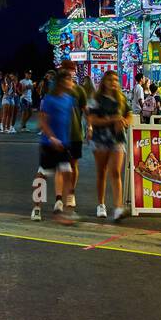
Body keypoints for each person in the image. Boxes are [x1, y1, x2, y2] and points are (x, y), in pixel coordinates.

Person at [34, 66, 77, 222]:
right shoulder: (49, 100)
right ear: (61, 82)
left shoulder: (69, 99)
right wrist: (52, 138)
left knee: (68, 174)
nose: (72, 83)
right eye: (69, 80)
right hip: (48, 144)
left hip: (64, 144)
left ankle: (63, 212)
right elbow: (42, 122)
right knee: (42, 175)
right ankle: (37, 207)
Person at [87, 70, 131, 220]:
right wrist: (113, 120)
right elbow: (92, 119)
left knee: (116, 172)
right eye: (110, 79)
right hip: (100, 140)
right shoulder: (96, 99)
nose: (113, 82)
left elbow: (129, 114)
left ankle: (118, 207)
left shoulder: (122, 99)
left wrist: (125, 122)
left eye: (116, 80)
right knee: (102, 172)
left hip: (117, 139)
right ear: (104, 82)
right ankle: (101, 204)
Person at [59, 60, 90, 210]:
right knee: (60, 165)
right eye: (66, 70)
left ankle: (71, 193)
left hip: (76, 133)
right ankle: (59, 197)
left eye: (71, 70)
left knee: (73, 164)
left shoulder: (79, 90)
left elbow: (85, 110)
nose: (69, 73)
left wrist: (90, 127)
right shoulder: (56, 90)